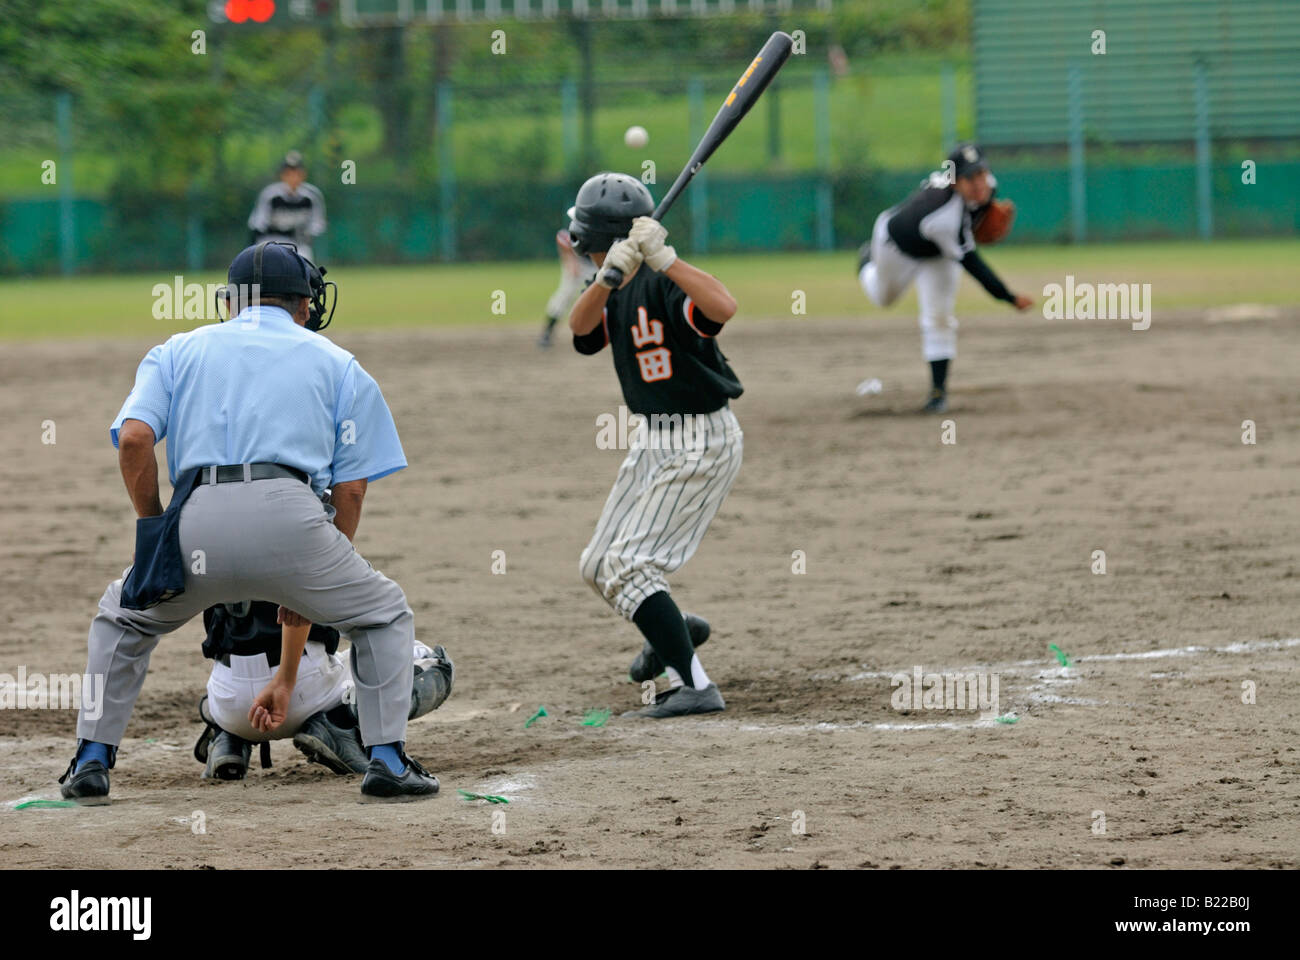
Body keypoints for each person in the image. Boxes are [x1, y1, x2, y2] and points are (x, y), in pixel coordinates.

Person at [59, 241, 439, 804]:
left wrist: (156, 533)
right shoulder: (337, 362)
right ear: (306, 305)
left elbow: (135, 438)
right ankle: (386, 759)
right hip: (293, 517)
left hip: (196, 520)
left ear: (229, 302)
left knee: (124, 621)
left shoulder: (177, 350)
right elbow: (351, 488)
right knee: (382, 615)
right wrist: (315, 581)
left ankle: (91, 761)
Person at [567, 172, 744, 719]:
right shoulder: (613, 280)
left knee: (631, 564)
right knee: (598, 564)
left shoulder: (667, 278)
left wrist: (664, 260)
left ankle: (694, 685)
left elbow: (723, 307)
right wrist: (608, 278)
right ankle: (671, 629)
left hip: (699, 439)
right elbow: (580, 330)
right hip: (654, 437)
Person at [856, 143, 1034, 412]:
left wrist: (982, 214)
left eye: (981, 173)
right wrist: (1008, 296)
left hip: (940, 253)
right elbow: (972, 263)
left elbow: (969, 227)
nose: (978, 183)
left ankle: (937, 395)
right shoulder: (941, 216)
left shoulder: (986, 187)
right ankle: (866, 262)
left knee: (939, 317)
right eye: (969, 178)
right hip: (895, 246)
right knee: (882, 298)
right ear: (954, 182)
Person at [195, 599, 454, 780]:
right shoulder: (304, 529)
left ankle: (227, 739)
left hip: (226, 702)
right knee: (432, 662)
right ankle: (339, 721)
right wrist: (285, 680)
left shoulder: (205, 531)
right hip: (301, 690)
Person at [248, 151, 327, 263]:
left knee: (307, 269)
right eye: (289, 173)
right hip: (271, 242)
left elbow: (318, 224)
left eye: (297, 173)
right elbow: (257, 224)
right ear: (282, 175)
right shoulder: (271, 195)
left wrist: (307, 234)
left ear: (303, 174)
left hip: (298, 244)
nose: (293, 177)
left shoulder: (312, 195)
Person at [537, 226, 597, 348]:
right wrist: (570, 260)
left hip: (597, 263)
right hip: (580, 262)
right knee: (565, 295)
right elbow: (562, 236)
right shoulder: (582, 219)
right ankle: (547, 332)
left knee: (607, 296)